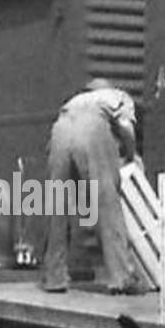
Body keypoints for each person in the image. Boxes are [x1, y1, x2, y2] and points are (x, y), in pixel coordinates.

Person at [42, 79, 145, 295]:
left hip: (60, 129)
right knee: (106, 202)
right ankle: (122, 277)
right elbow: (126, 127)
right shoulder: (120, 97)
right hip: (91, 129)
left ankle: (54, 277)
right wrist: (131, 154)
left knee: (58, 206)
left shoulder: (77, 99)